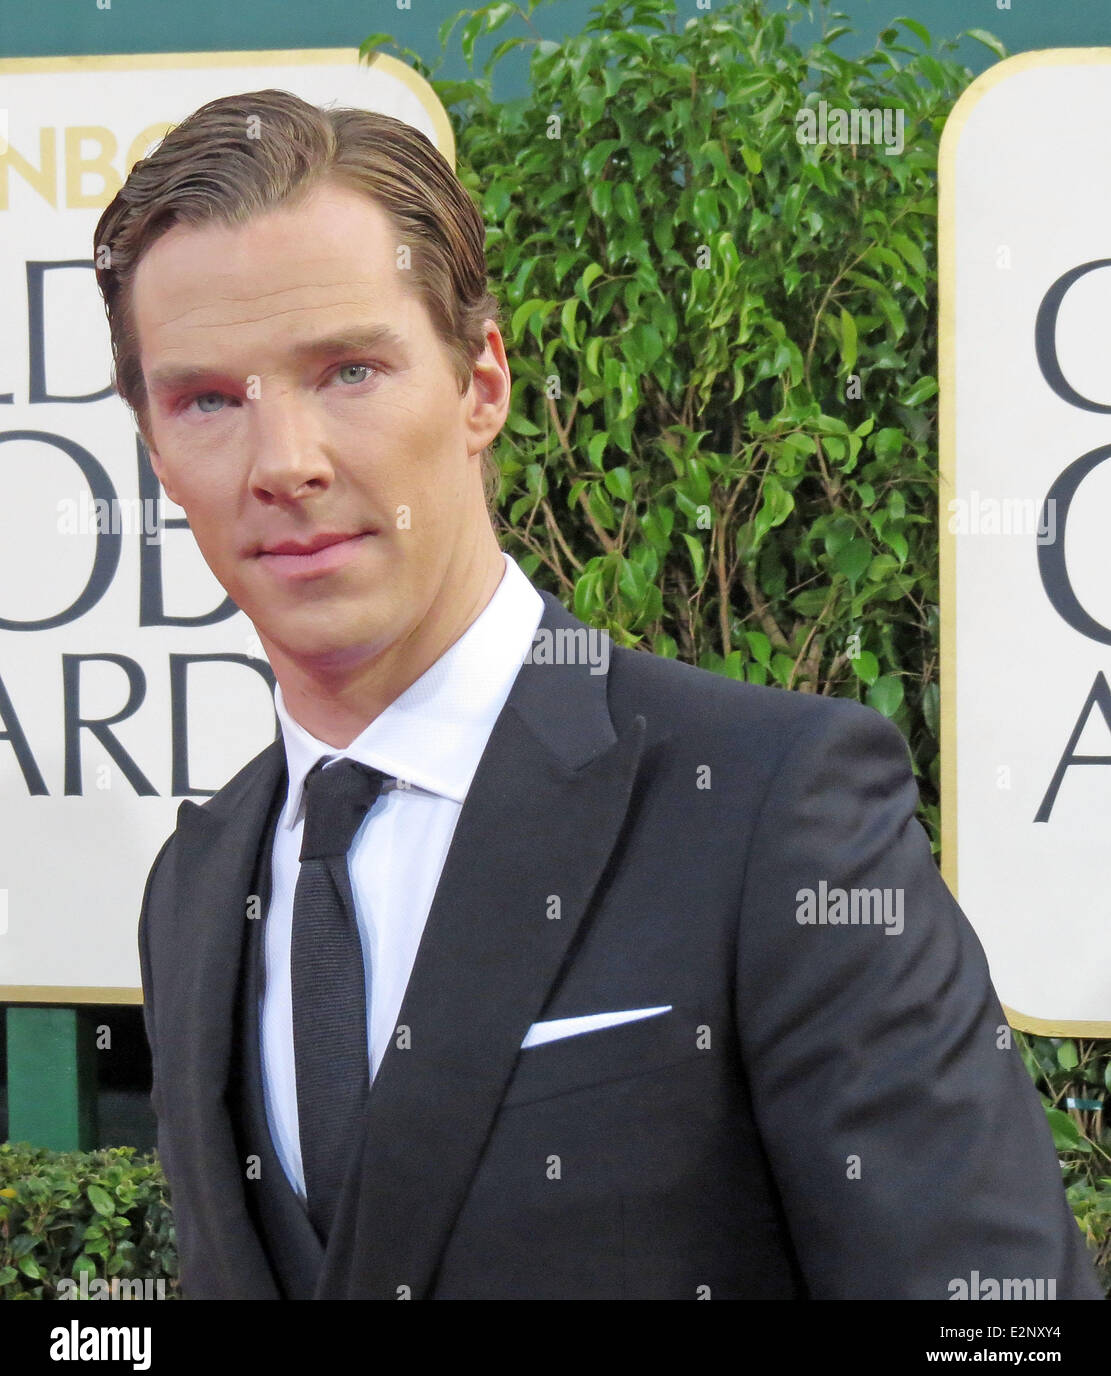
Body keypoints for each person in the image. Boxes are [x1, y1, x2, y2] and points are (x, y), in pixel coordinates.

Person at [95, 88, 1103, 1300]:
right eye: (208, 399)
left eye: (349, 370)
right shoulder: (197, 886)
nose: (285, 462)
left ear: (482, 384)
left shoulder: (771, 810)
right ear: (157, 453)